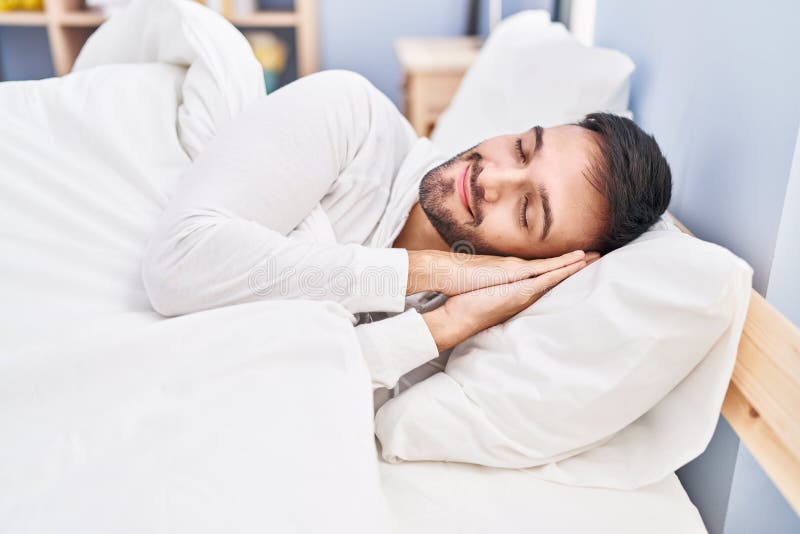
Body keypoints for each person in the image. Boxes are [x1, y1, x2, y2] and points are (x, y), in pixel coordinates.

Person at [142, 70, 671, 395]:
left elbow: (287, 392)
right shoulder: (350, 118)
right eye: (521, 148)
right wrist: (428, 269)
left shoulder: (467, 335)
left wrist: (443, 326)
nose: (490, 179)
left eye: (527, 212)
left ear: (542, 263)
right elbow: (176, 267)